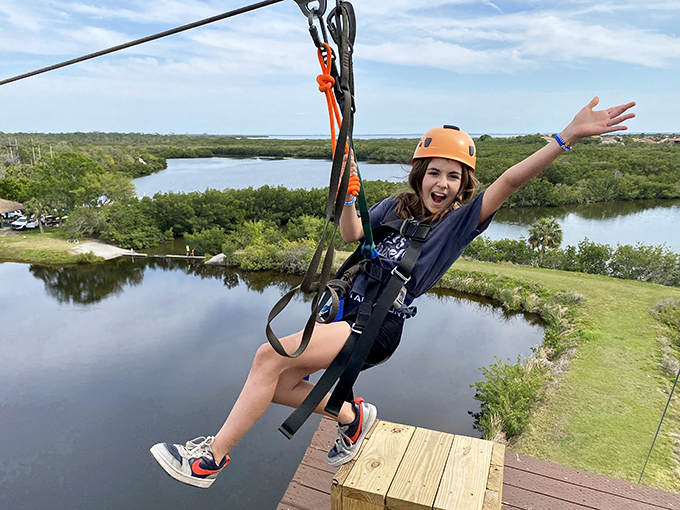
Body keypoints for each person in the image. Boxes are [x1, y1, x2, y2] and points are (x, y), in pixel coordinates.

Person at [150, 97, 635, 489]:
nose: (441, 183)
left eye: (452, 175)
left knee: (266, 357)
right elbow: (352, 235)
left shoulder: (460, 223)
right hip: (346, 312)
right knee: (275, 383)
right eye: (433, 172)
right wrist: (345, 194)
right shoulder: (393, 207)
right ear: (419, 174)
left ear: (463, 184)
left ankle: (209, 460)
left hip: (378, 324)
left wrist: (565, 137)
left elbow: (510, 179)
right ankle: (352, 415)